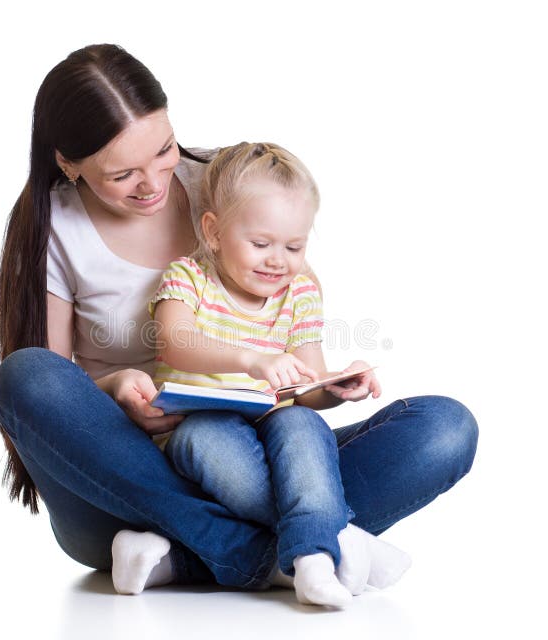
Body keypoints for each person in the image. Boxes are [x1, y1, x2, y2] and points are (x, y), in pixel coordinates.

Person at [0, 44, 479, 600]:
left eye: (165, 149)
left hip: (261, 447)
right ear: (68, 163)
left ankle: (190, 556)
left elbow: (295, 302)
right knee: (25, 374)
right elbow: (55, 392)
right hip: (130, 479)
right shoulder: (54, 224)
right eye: (124, 173)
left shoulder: (226, 180)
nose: (153, 182)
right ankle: (304, 545)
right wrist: (114, 387)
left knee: (444, 427)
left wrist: (327, 387)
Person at [149, 141, 411, 607]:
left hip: (275, 423)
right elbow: (177, 341)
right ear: (213, 232)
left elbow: (304, 389)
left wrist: (331, 387)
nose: (278, 260)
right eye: (261, 244)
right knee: (212, 437)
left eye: (294, 246)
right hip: (199, 424)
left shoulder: (300, 291)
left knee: (303, 423)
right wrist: (252, 359)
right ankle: (338, 538)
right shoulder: (187, 277)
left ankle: (309, 559)